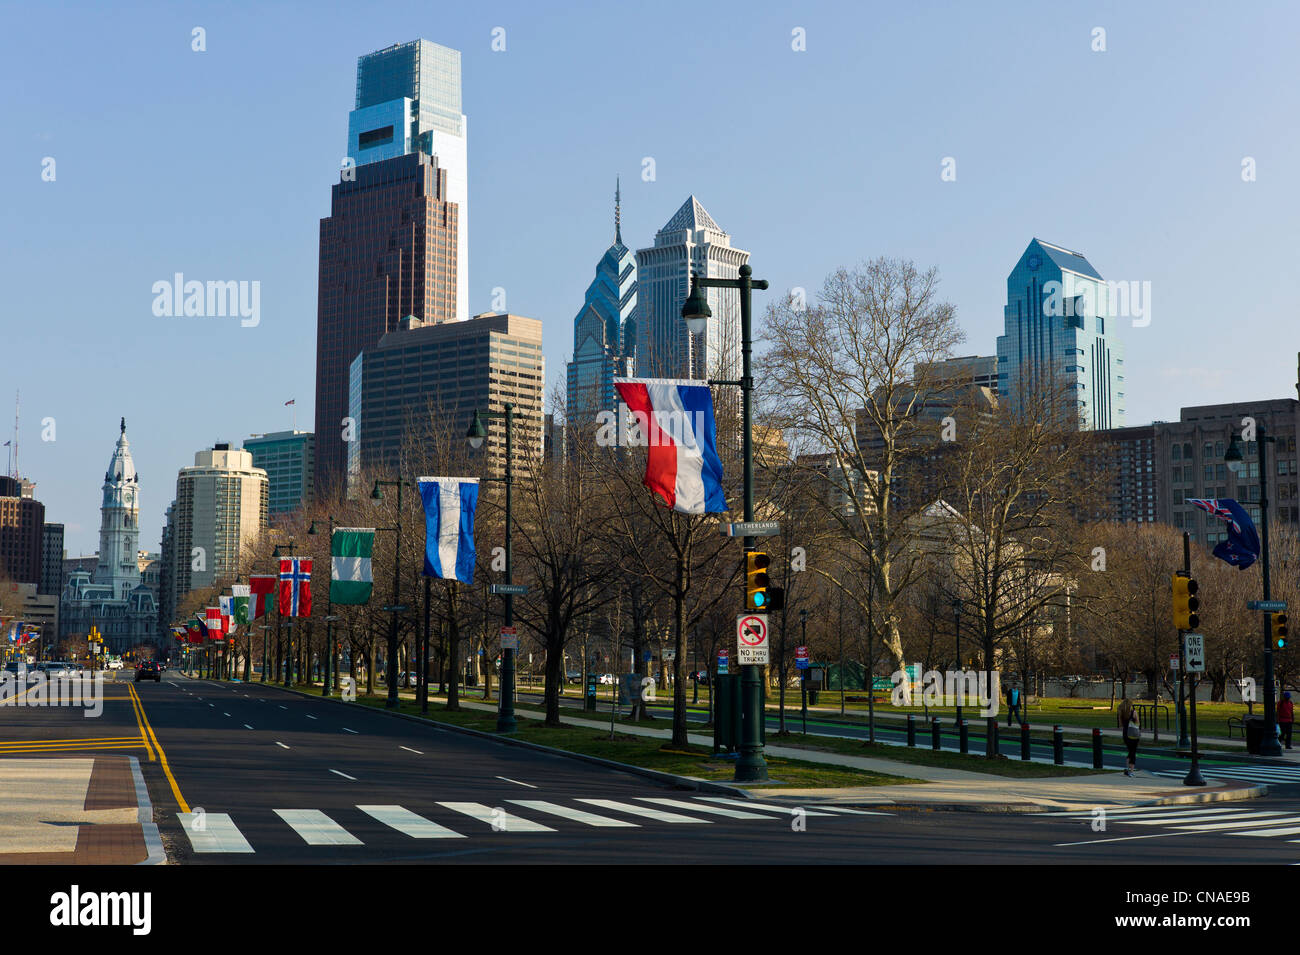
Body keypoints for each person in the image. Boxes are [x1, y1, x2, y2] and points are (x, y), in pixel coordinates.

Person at [1117, 698, 1140, 776]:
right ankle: (1131, 771)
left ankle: (1127, 768)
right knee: (1133, 752)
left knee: (1130, 751)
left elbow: (1120, 725)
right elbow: (1137, 722)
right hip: (1134, 734)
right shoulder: (1134, 712)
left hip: (1125, 734)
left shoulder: (1121, 714)